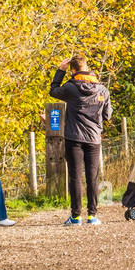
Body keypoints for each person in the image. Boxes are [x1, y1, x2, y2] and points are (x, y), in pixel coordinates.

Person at [49, 54, 112, 226]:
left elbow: (53, 91)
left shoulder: (70, 87)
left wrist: (60, 71)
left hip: (74, 137)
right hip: (94, 138)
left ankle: (76, 216)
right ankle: (93, 216)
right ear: (87, 67)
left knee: (75, 177)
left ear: (73, 70)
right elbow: (107, 115)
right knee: (93, 177)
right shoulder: (102, 90)